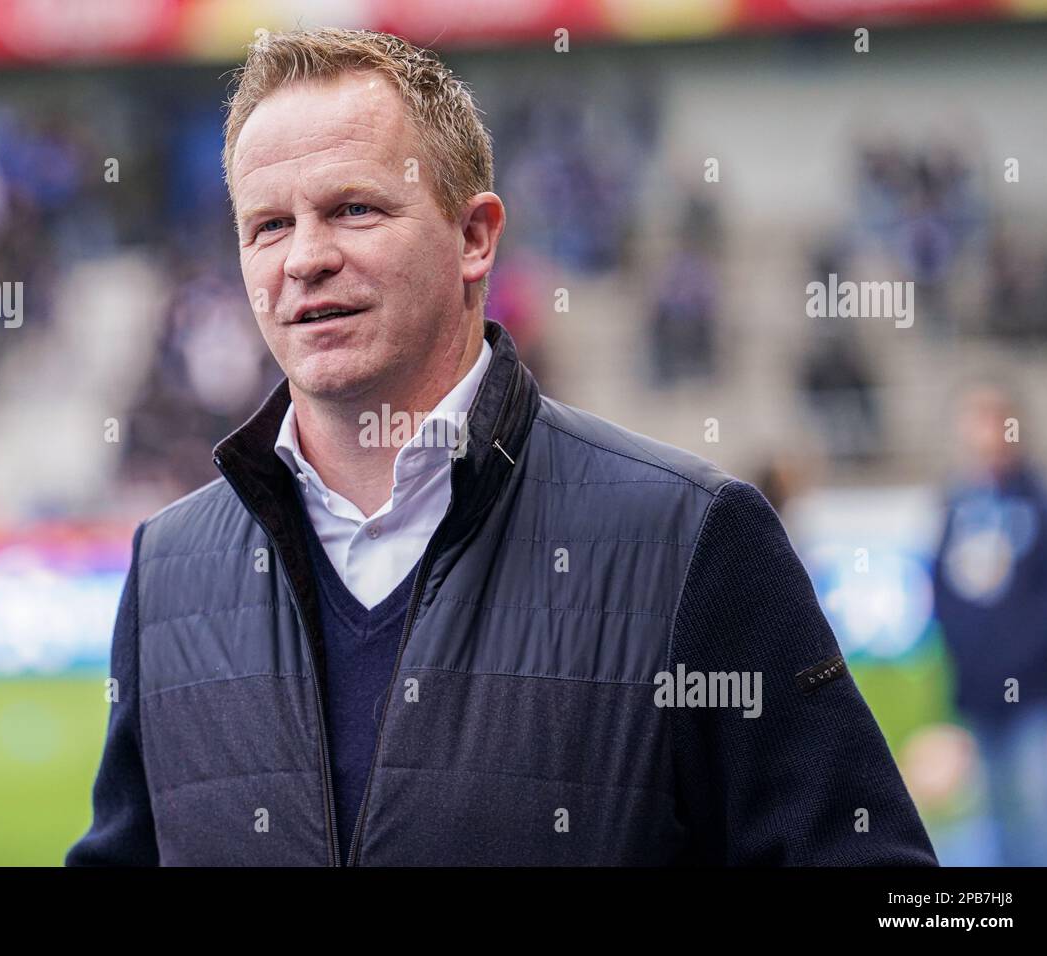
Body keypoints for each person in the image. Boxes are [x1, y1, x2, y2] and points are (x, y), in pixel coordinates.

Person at [66, 27, 937, 866]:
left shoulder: (692, 537)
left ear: (475, 237)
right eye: (267, 226)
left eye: (353, 209)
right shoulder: (168, 570)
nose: (304, 259)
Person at [933, 381, 1047, 866]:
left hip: (1027, 692)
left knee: (1034, 811)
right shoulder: (957, 503)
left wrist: (1013, 659)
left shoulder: (1039, 505)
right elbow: (945, 591)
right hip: (976, 690)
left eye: (988, 419)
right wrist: (969, 661)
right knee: (993, 815)